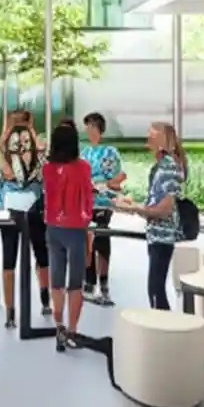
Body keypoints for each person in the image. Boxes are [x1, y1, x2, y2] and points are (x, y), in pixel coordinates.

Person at [116, 122, 186, 311]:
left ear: (163, 140)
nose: (148, 139)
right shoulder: (160, 166)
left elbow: (164, 209)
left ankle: (165, 330)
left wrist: (137, 209)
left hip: (163, 235)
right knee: (155, 289)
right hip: (156, 234)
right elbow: (156, 202)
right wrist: (134, 206)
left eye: (152, 136)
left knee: (155, 289)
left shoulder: (169, 167)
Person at [0, 110, 50, 328]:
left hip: (11, 207)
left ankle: (10, 312)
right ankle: (45, 300)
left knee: (9, 258)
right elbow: (42, 170)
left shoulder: (4, 148)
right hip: (35, 204)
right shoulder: (38, 146)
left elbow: (6, 173)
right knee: (41, 253)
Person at [43, 123, 95, 352]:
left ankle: (59, 326)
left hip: (53, 226)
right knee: (75, 283)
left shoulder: (48, 169)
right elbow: (87, 199)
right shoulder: (83, 168)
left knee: (56, 280)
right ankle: (73, 330)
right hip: (75, 228)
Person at [80, 112, 126, 307]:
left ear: (99, 129)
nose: (89, 131)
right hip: (86, 201)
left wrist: (104, 184)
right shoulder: (84, 153)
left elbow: (120, 176)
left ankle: (103, 280)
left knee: (102, 237)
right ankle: (89, 280)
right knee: (87, 239)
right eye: (87, 128)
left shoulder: (110, 152)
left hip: (103, 200)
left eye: (92, 127)